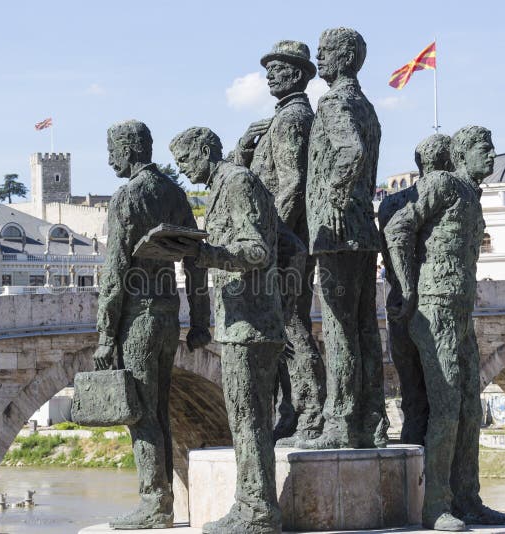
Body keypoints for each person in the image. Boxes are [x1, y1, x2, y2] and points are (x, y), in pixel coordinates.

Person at [385, 126, 505, 530]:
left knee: (470, 407)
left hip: (460, 313)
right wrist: (407, 286)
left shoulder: (472, 198)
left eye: (492, 147)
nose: (491, 155)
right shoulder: (442, 183)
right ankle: (436, 504)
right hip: (434, 307)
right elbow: (398, 228)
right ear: (462, 154)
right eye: (483, 148)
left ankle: (468, 498)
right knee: (445, 405)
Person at [162, 127, 284, 534]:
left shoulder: (237, 182)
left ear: (204, 149)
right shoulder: (222, 187)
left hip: (251, 323)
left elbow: (257, 250)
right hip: (240, 322)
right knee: (244, 417)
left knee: (249, 418)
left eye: (185, 160)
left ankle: (257, 510)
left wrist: (204, 252)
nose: (182, 170)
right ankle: (254, 503)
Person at [92, 120, 211, 529]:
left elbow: (114, 271)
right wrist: (199, 319)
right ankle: (162, 501)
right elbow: (196, 258)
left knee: (141, 412)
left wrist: (106, 334)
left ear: (128, 149)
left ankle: (155, 504)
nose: (109, 159)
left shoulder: (128, 196)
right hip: (167, 315)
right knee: (158, 408)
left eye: (112, 150)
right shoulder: (174, 193)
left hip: (137, 318)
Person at [234, 40, 326, 445]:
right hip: (286, 241)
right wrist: (241, 152)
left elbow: (292, 183)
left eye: (278, 67)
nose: (269, 74)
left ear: (300, 73)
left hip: (284, 244)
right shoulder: (280, 119)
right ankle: (292, 413)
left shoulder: (292, 120)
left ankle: (311, 411)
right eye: (267, 68)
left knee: (289, 326)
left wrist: (273, 240)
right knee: (286, 326)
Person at [302, 27, 388, 449]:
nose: (318, 59)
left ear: (346, 55)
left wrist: (332, 202)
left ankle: (340, 421)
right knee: (364, 328)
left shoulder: (334, 102)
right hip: (362, 230)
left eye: (325, 51)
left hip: (337, 232)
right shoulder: (366, 105)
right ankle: (372, 419)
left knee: (338, 329)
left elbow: (350, 152)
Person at [379, 133, 453, 447]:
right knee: (442, 398)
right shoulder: (440, 192)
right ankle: (435, 485)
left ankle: (415, 478)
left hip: (396, 301)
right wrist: (411, 288)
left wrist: (401, 285)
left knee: (413, 399)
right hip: (422, 303)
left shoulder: (390, 203)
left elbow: (389, 242)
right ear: (448, 160)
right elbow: (398, 233)